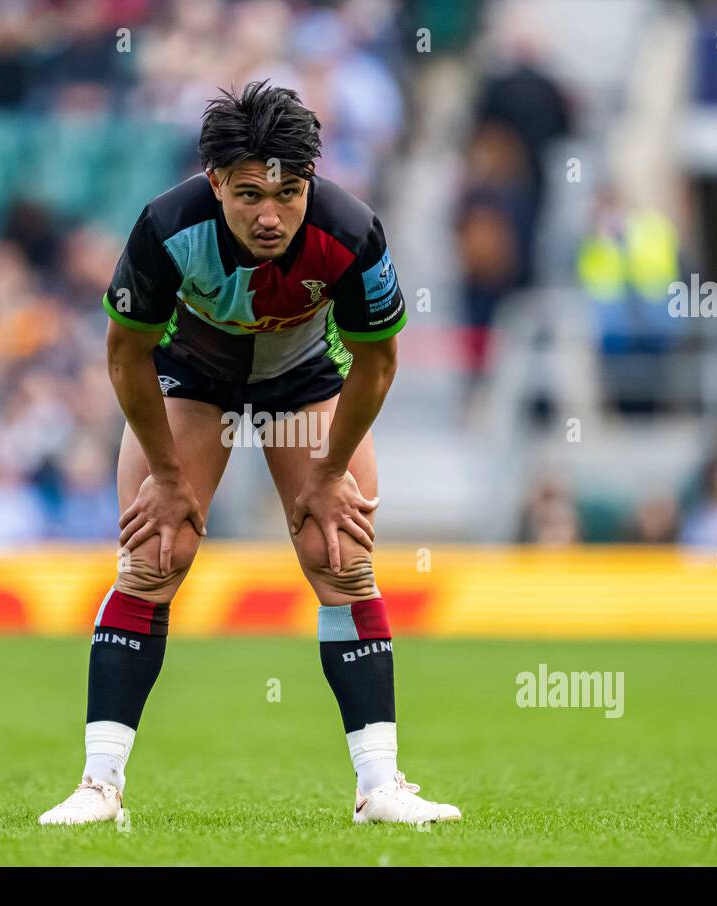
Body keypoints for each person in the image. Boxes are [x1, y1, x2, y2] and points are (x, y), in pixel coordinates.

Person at [38, 81, 460, 828]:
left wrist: (330, 472)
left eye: (289, 193)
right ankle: (98, 786)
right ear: (214, 184)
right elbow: (125, 355)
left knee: (341, 553)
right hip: (194, 376)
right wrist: (167, 476)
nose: (270, 215)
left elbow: (379, 363)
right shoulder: (166, 228)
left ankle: (380, 787)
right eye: (248, 195)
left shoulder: (353, 232)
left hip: (302, 382)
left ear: (313, 184)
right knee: (155, 553)